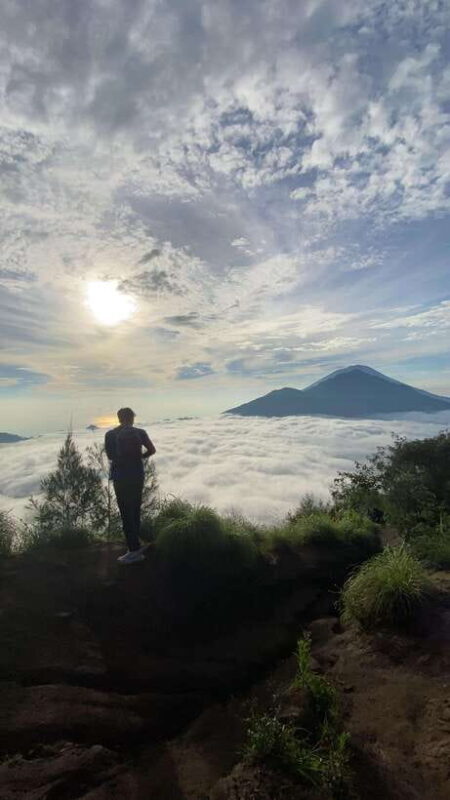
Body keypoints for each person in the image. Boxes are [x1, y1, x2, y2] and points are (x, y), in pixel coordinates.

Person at [105, 407, 156, 564]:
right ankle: (136, 543)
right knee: (135, 510)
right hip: (137, 475)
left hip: (121, 477)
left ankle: (134, 551)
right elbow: (152, 450)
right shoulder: (140, 432)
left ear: (119, 418)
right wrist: (139, 457)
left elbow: (110, 456)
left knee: (125, 513)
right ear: (132, 418)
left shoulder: (110, 434)